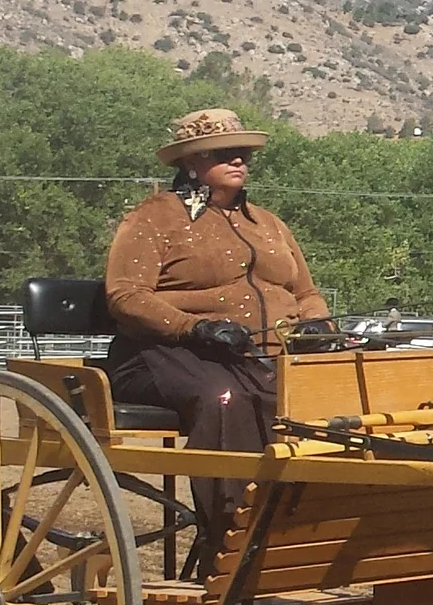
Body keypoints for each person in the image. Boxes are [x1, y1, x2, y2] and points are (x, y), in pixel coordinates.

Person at [103, 107, 334, 555]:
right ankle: (228, 533)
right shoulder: (154, 218)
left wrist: (317, 323)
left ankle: (302, 524)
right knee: (223, 397)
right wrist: (197, 327)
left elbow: (305, 291)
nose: (239, 161)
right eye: (224, 153)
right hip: (166, 351)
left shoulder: (268, 224)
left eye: (244, 154)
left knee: (320, 395)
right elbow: (125, 295)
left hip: (264, 353)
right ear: (192, 163)